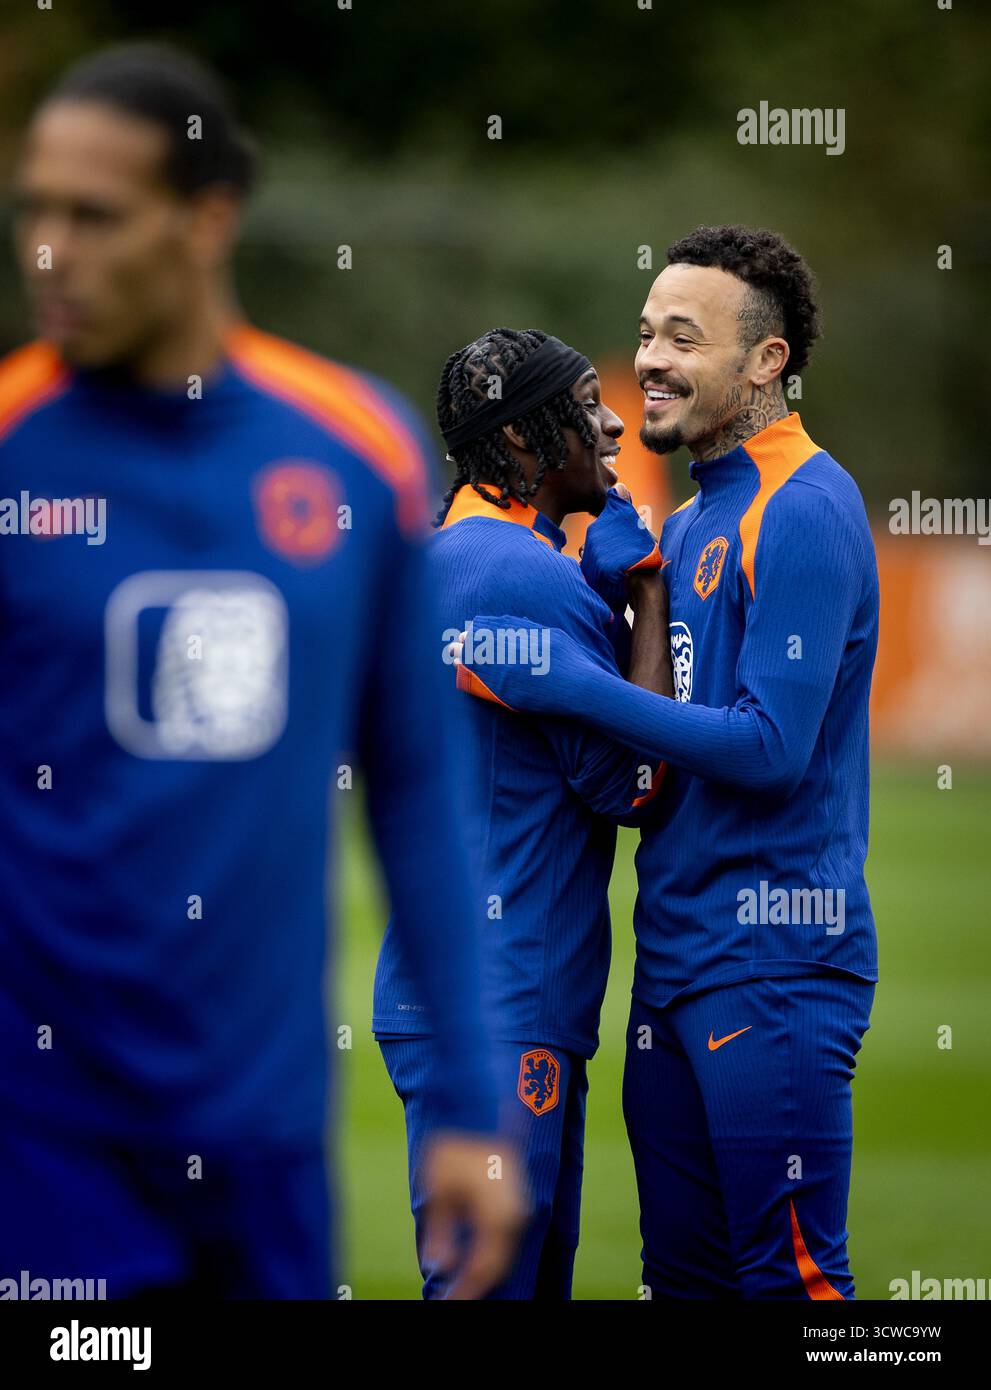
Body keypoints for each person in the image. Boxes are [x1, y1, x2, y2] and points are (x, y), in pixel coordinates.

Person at [0, 42, 523, 1301]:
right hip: (43, 1142)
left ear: (206, 220)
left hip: (269, 1134)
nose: (49, 252)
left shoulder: (355, 454)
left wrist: (471, 1098)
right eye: (33, 212)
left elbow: (414, 792)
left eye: (95, 215)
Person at [453, 228, 879, 1299]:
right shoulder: (685, 523)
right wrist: (633, 597)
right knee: (680, 1282)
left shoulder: (810, 507)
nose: (646, 359)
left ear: (766, 361)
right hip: (671, 964)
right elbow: (648, 776)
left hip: (774, 961)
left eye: (681, 338)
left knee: (791, 1284)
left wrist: (565, 680)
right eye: (644, 334)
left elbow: (769, 751)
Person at [374, 327, 673, 1298]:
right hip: (507, 1003)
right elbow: (637, 783)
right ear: (518, 443)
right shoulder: (524, 575)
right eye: (587, 405)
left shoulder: (441, 554)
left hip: (463, 991)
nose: (614, 420)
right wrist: (646, 594)